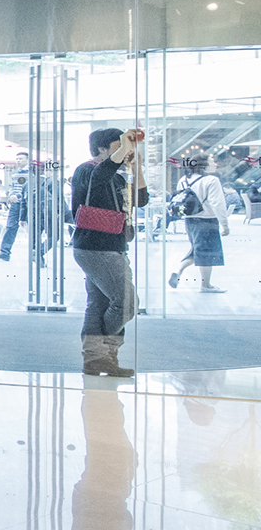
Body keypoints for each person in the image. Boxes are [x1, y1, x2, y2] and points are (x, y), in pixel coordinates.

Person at [71, 127, 148, 377]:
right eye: (118, 146)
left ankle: (97, 361)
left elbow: (141, 200)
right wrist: (126, 150)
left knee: (99, 304)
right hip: (96, 247)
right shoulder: (87, 170)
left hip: (111, 247)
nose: (124, 150)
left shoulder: (117, 176)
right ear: (101, 150)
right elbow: (99, 178)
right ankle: (102, 350)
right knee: (126, 303)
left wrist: (137, 169)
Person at [167, 154, 229, 294]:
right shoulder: (211, 180)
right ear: (203, 164)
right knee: (207, 253)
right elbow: (217, 203)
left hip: (190, 220)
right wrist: (225, 223)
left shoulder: (184, 180)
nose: (215, 163)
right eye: (211, 161)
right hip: (207, 220)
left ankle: (179, 270)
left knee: (198, 249)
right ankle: (206, 285)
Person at [0, 152, 32, 261]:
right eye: (17, 159)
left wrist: (18, 195)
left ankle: (37, 253)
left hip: (26, 204)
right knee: (10, 227)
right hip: (15, 203)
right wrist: (12, 195)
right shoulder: (15, 173)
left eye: (21, 159)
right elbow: (12, 187)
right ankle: (4, 252)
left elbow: (30, 189)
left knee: (32, 228)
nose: (18, 161)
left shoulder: (31, 173)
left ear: (27, 160)